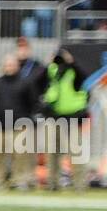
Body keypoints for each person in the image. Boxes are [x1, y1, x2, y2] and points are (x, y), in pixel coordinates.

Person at [0, 54, 39, 189]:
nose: (9, 67)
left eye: (12, 64)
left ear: (17, 66)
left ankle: (19, 180)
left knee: (20, 155)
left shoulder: (25, 83)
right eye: (7, 65)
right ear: (3, 66)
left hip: (19, 125)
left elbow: (33, 103)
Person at [41, 48, 89, 189]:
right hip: (55, 117)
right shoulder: (52, 71)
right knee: (52, 153)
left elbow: (84, 78)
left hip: (73, 117)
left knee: (76, 153)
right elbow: (38, 81)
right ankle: (53, 182)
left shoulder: (74, 72)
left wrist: (71, 62)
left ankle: (79, 183)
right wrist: (48, 63)